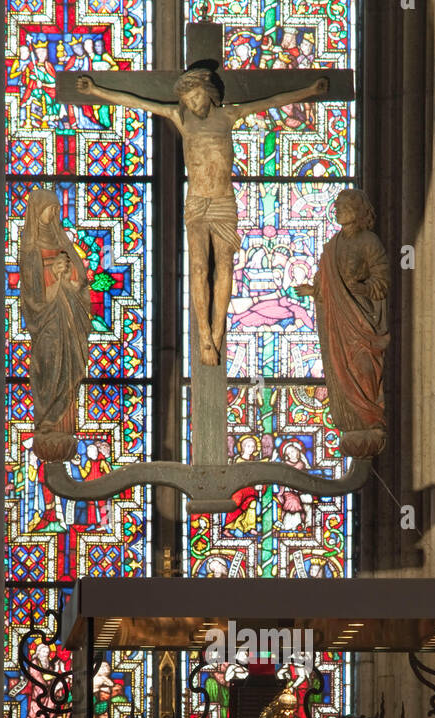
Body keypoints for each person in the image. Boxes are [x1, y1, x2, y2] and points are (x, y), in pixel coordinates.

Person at [70, 66, 329, 365]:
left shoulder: (228, 116)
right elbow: (138, 103)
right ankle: (204, 335)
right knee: (198, 268)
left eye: (196, 97)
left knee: (225, 268)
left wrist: (310, 91)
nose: (193, 104)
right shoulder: (181, 118)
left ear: (209, 93)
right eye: (188, 100)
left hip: (222, 201)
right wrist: (95, 91)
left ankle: (217, 333)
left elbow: (271, 102)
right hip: (197, 202)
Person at [294, 189, 390, 457]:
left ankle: (369, 415)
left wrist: (361, 288)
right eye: (336, 206)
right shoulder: (332, 246)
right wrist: (313, 291)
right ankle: (351, 419)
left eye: (344, 206)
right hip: (337, 323)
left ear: (358, 211)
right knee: (340, 368)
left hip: (361, 321)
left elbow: (382, 280)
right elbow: (326, 284)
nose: (338, 210)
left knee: (363, 367)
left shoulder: (369, 242)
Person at [20, 189, 91, 463]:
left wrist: (68, 277)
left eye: (55, 209)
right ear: (37, 213)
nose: (53, 214)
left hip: (69, 323)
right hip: (46, 324)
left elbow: (81, 281)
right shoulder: (30, 251)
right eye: (49, 209)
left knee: (69, 372)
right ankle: (46, 422)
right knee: (48, 365)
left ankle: (63, 426)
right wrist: (55, 277)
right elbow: (33, 296)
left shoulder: (64, 244)